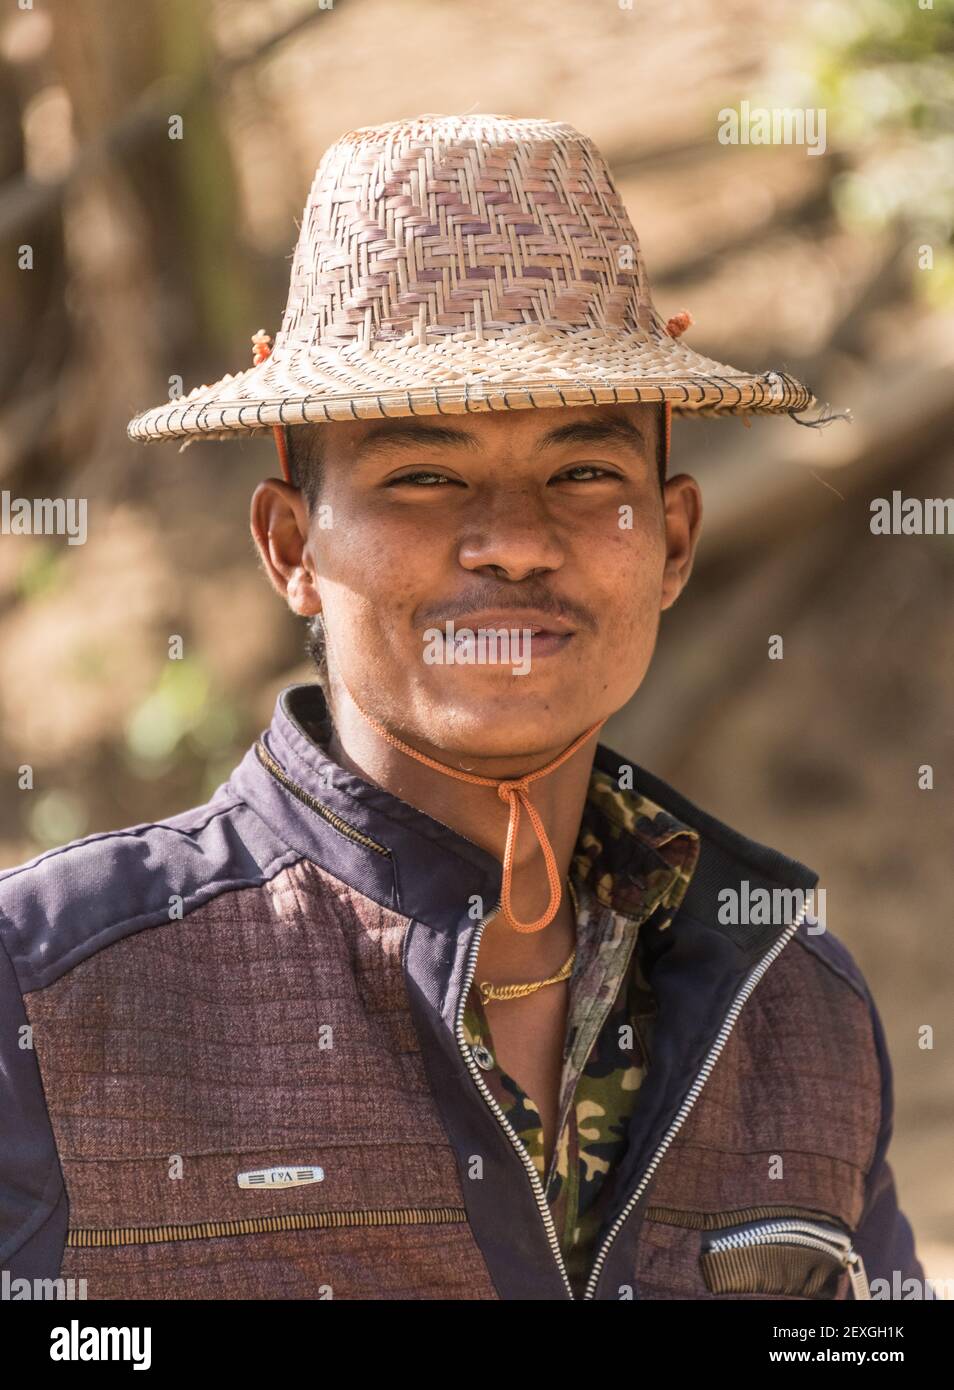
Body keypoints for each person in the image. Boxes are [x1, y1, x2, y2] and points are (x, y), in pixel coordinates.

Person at [0, 114, 922, 1301]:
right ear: (291, 546)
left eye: (584, 472)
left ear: (675, 538)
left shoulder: (793, 1001)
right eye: (424, 476)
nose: (515, 542)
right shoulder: (52, 993)